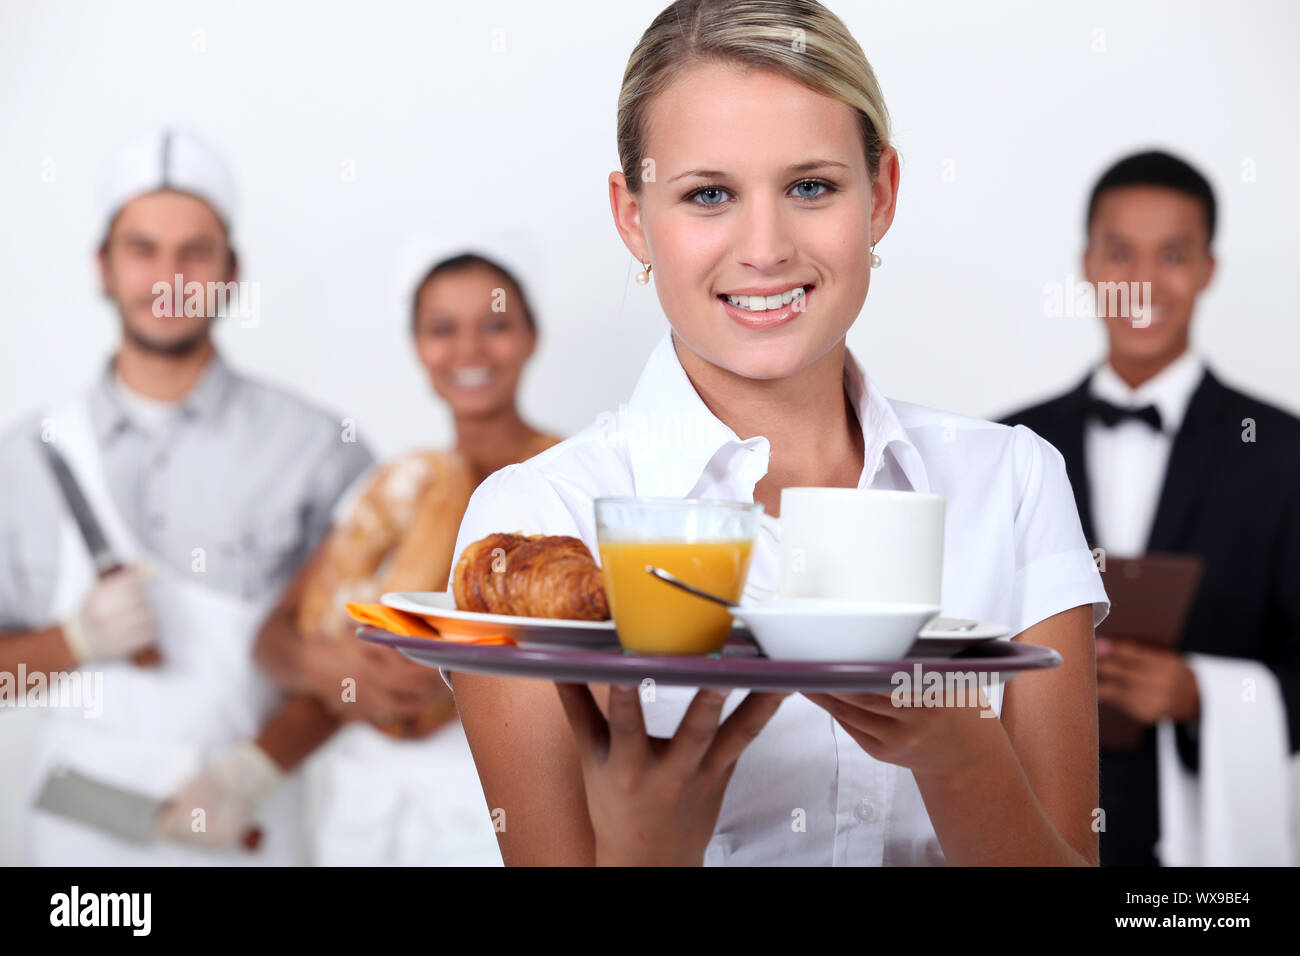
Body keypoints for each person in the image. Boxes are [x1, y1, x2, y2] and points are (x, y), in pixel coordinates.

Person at [444, 0, 1110, 866]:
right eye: (709, 194)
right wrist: (648, 848)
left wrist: (960, 757)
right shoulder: (540, 523)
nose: (764, 248)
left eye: (811, 187)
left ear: (883, 197)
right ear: (633, 216)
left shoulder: (1011, 483)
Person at [0, 127, 373, 865]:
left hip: (247, 834)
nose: (168, 277)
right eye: (142, 249)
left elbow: (367, 666)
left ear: (231, 271)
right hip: (80, 855)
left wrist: (252, 769)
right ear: (102, 267)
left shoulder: (319, 451)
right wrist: (72, 643)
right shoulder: (27, 459)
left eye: (193, 252)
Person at [1000, 150, 1300, 866]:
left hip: (1199, 850)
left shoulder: (1285, 453)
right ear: (1087, 265)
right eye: (1119, 252)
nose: (1141, 281)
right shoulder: (1006, 447)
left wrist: (1208, 694)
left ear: (1207, 269)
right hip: (1028, 828)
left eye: (1172, 254)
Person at [253, 252, 562, 865]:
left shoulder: (572, 481)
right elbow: (272, 641)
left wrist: (457, 668)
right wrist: (337, 667)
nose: (469, 350)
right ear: (418, 347)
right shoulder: (400, 488)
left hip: (504, 796)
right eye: (442, 328)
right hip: (368, 806)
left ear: (530, 338)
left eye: (495, 325)